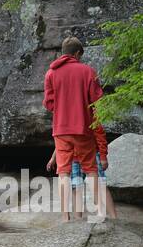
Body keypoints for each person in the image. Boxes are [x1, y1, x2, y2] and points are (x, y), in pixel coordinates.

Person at [44, 37, 106, 221]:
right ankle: (100, 213)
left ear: (63, 51)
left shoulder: (51, 74)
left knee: (63, 172)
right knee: (91, 170)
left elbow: (49, 104)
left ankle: (65, 217)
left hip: (61, 130)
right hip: (82, 129)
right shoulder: (88, 72)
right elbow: (98, 102)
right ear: (77, 53)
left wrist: (64, 107)